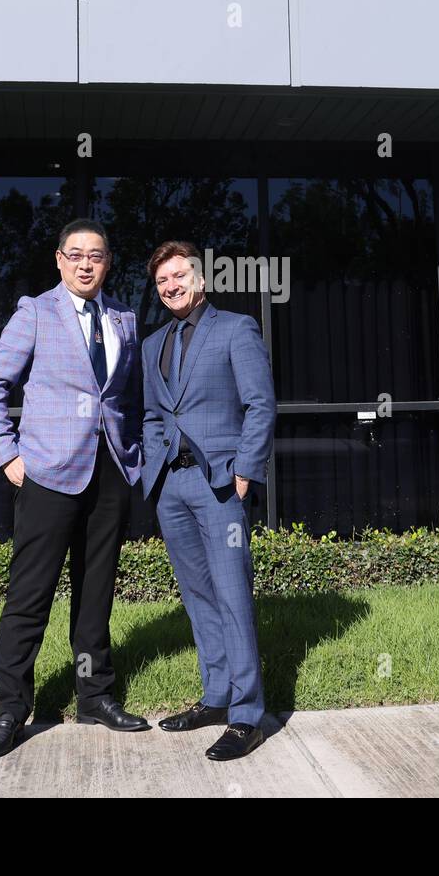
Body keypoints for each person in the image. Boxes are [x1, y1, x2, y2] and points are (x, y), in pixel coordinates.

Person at [0, 218, 147, 758]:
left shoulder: (124, 317)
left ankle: (94, 695)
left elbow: (128, 398)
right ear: (59, 260)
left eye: (96, 255)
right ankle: (9, 709)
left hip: (110, 475)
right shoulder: (35, 312)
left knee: (95, 595)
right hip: (48, 475)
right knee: (30, 597)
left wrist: (134, 458)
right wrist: (8, 456)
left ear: (108, 262)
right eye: (76, 255)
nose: (86, 263)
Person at [142, 240, 276, 760]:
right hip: (170, 487)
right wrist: (155, 468)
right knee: (198, 596)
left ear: (201, 277)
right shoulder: (154, 343)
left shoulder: (234, 328)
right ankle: (216, 696)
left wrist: (245, 471)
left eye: (179, 276)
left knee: (233, 595)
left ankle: (247, 715)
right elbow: (154, 414)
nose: (171, 286)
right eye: (162, 281)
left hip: (220, 483)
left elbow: (260, 402)